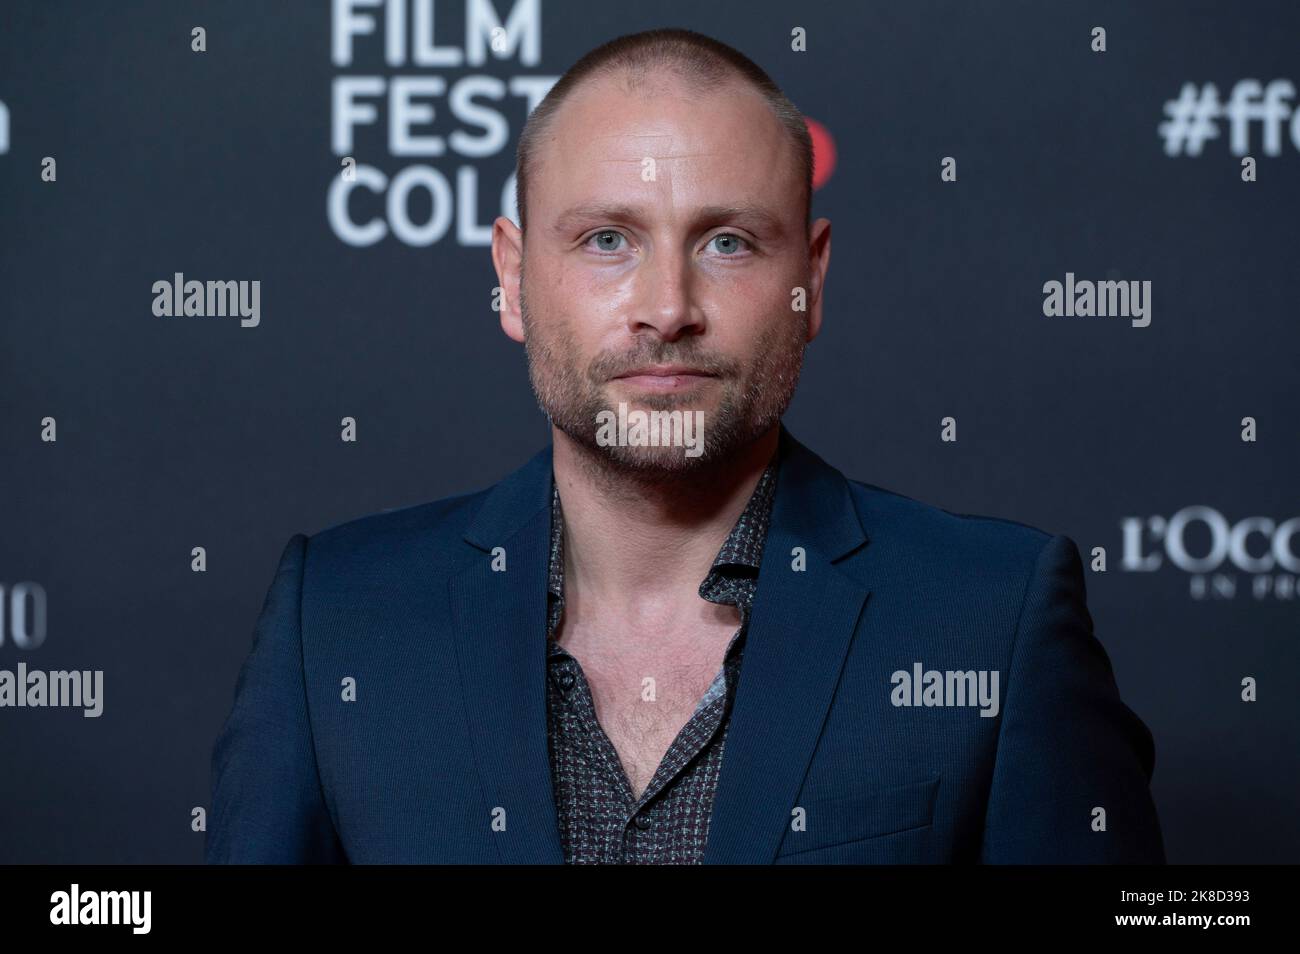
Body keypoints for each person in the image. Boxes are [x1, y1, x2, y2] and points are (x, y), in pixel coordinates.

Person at [206, 27, 1164, 864]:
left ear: (812, 280)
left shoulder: (991, 620)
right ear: (511, 276)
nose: (668, 309)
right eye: (607, 240)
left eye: (729, 243)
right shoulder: (334, 621)